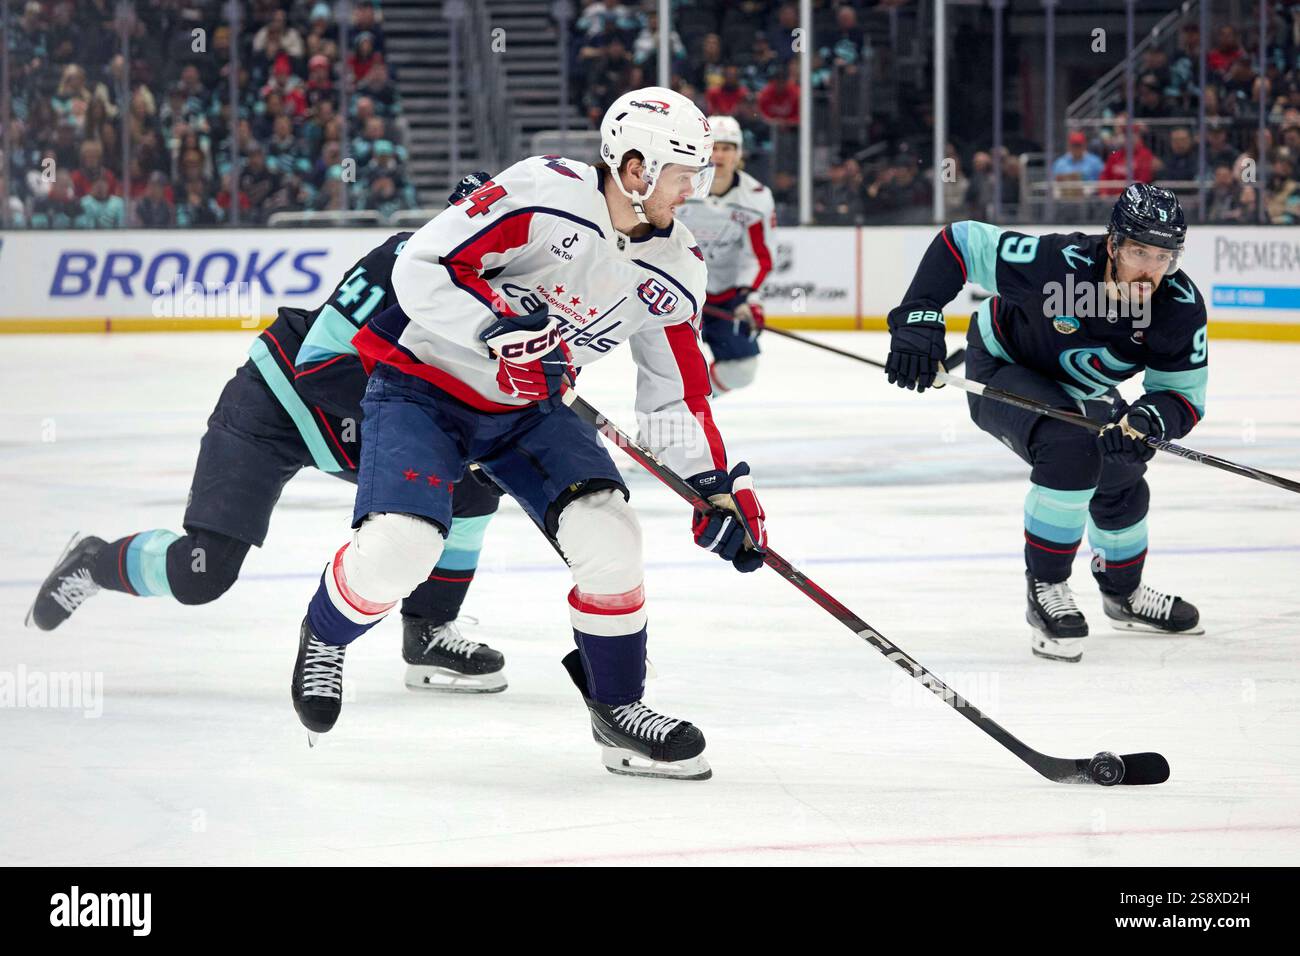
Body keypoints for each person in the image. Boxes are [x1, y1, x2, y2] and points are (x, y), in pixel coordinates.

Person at [290, 87, 768, 781]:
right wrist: (494, 325)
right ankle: (324, 636)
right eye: (680, 173)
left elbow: (676, 393)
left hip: (530, 410)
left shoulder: (677, 265)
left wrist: (716, 489)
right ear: (634, 168)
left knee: (611, 533)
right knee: (404, 545)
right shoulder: (541, 194)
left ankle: (619, 710)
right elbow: (420, 265)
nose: (691, 190)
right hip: (424, 385)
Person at [28, 178, 510, 695]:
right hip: (274, 402)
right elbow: (319, 367)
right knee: (202, 573)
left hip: (357, 416)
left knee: (472, 490)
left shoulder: (504, 288)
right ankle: (94, 562)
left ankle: (428, 632)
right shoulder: (399, 262)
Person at [884, 184, 1206, 662]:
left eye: (1163, 256)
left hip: (1082, 390)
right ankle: (1047, 589)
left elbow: (1181, 394)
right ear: (1113, 243)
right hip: (1002, 365)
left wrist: (1146, 420)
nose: (1149, 269)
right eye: (1139, 251)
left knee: (1121, 475)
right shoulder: (1061, 263)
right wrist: (919, 319)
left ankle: (1124, 594)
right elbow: (959, 241)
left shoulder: (1178, 306)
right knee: (1071, 450)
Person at [675, 115, 775, 394]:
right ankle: (669, 417)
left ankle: (692, 401)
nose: (719, 155)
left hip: (728, 299)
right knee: (668, 369)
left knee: (741, 371)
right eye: (714, 147)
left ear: (739, 154)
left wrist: (750, 297)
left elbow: (760, 256)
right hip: (680, 294)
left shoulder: (756, 197)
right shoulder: (679, 188)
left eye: (727, 148)